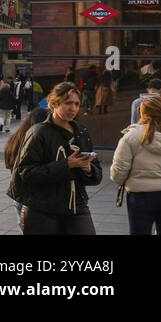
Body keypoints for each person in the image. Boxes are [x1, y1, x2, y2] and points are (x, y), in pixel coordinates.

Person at [9, 83, 102, 235]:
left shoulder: (81, 132)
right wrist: (66, 165)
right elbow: (26, 173)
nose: (73, 108)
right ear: (54, 104)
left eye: (77, 104)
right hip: (43, 208)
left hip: (76, 205)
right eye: (68, 103)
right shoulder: (38, 132)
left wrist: (88, 169)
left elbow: (96, 176)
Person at [110, 96, 161, 235]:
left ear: (142, 113)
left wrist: (121, 181)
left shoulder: (131, 136)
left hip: (140, 196)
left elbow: (118, 171)